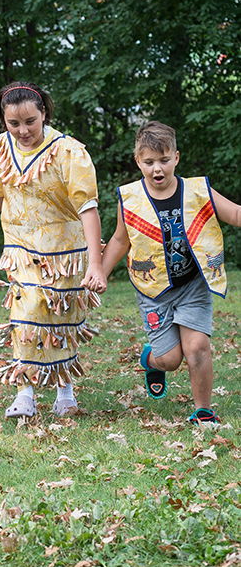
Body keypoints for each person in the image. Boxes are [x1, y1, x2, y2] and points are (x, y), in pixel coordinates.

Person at [91, 121, 240, 427]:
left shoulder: (198, 191)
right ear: (138, 162)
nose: (157, 168)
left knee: (197, 347)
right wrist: (100, 273)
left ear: (176, 158)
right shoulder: (130, 198)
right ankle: (151, 360)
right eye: (149, 162)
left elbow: (235, 213)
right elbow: (121, 239)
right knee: (171, 360)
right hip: (153, 290)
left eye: (164, 160)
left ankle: (203, 412)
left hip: (192, 285)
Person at [0, 82, 105, 419]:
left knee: (60, 320)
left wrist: (96, 262)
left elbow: (88, 208)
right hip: (21, 246)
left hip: (66, 251)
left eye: (30, 121)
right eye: (13, 124)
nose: (23, 131)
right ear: (3, 120)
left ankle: (65, 391)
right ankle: (25, 393)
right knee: (26, 315)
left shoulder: (69, 151)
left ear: (44, 112)